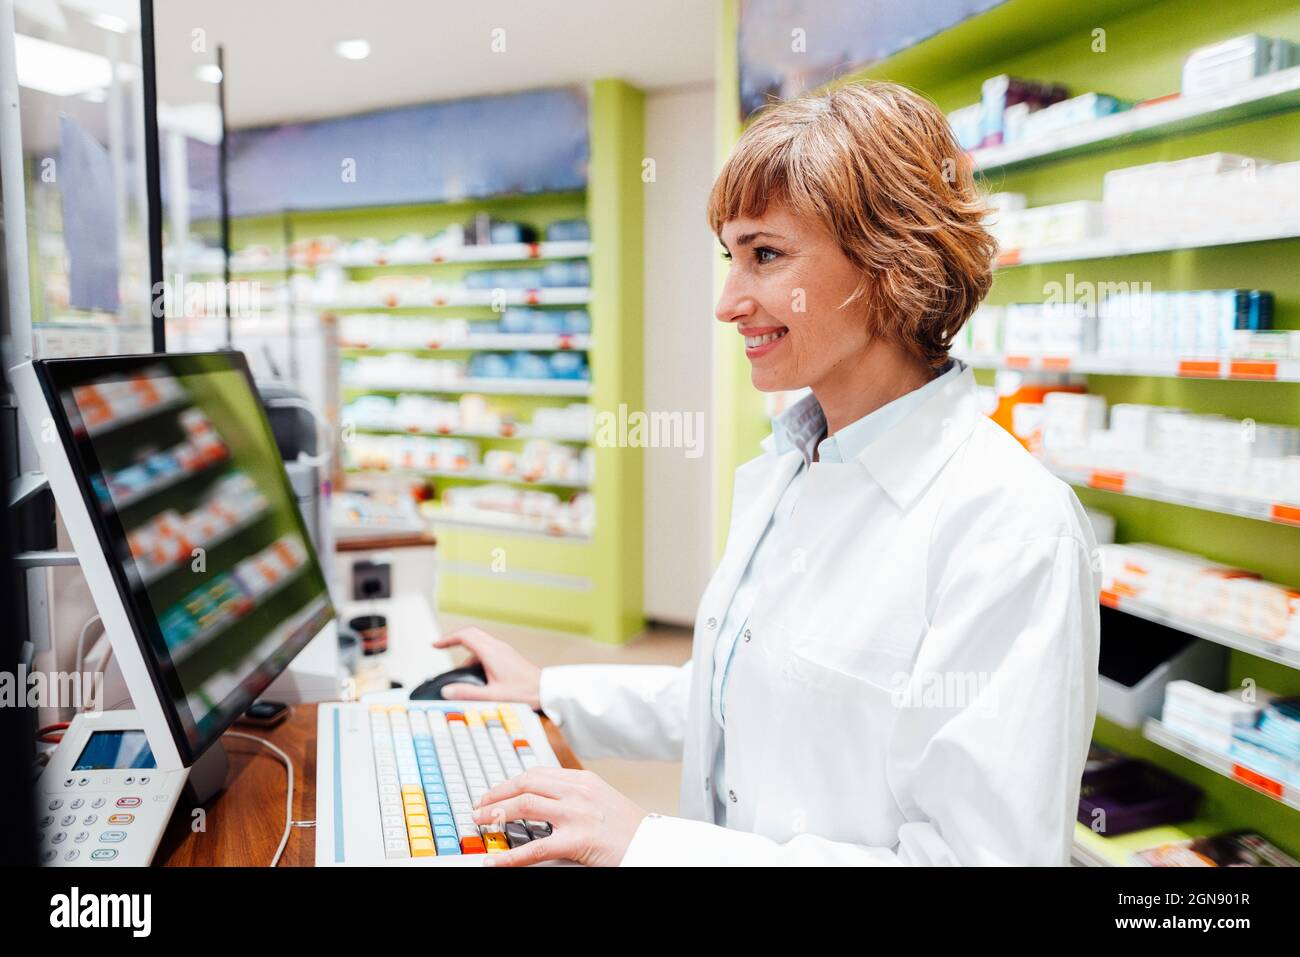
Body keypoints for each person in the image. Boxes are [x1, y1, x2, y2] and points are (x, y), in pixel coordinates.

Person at [442, 81, 1100, 866]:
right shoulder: (790, 464)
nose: (728, 302)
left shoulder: (1009, 524)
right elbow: (741, 695)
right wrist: (551, 690)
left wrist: (652, 846)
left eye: (765, 255)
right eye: (732, 258)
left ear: (890, 258)